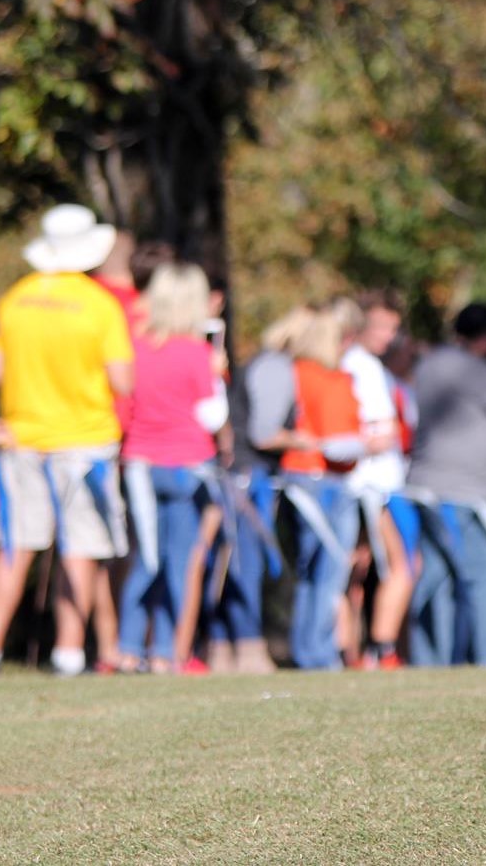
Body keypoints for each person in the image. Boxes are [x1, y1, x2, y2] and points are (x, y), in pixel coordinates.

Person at [0, 205, 134, 676]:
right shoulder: (99, 304)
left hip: (22, 438)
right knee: (80, 547)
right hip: (86, 443)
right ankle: (68, 651)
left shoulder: (15, 299)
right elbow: (123, 380)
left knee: (16, 546)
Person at [406, 303, 486, 667]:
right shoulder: (470, 366)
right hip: (461, 493)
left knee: (436, 577)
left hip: (430, 485)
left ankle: (431, 660)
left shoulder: (432, 362)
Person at [116, 264, 226, 674]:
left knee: (147, 559)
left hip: (141, 466)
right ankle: (167, 651)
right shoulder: (198, 353)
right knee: (180, 562)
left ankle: (127, 648)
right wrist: (217, 375)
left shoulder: (136, 346)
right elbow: (213, 417)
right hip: (187, 466)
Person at [213, 305, 312, 674]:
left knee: (236, 562)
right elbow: (263, 433)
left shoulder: (267, 363)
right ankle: (248, 647)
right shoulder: (275, 367)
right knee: (245, 563)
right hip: (246, 474)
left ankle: (223, 650)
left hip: (243, 471)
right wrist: (308, 440)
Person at [280, 308, 366, 670]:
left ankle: (305, 649)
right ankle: (317, 653)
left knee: (309, 573)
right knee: (329, 573)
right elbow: (336, 443)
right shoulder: (330, 379)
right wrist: (374, 443)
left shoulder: (295, 373)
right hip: (325, 482)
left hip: (297, 479)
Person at [334, 293, 412, 669]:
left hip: (367, 483)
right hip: (374, 485)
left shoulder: (360, 364)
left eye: (393, 328)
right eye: (381, 326)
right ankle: (381, 649)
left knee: (355, 568)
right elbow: (377, 430)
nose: (388, 336)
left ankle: (351, 651)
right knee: (402, 566)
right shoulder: (360, 365)